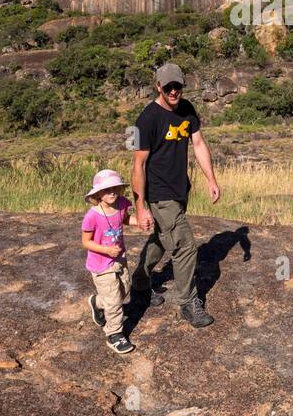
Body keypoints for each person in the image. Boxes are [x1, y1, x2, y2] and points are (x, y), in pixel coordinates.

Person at [131, 62, 221, 327]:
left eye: (177, 86)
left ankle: (139, 281)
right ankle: (188, 303)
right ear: (158, 86)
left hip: (181, 189)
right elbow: (138, 165)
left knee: (161, 239)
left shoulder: (187, 110)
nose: (173, 91)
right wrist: (140, 206)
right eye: (168, 86)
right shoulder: (146, 119)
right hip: (159, 194)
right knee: (184, 245)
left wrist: (211, 179)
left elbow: (199, 143)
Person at [81, 169, 142, 354]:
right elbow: (85, 242)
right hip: (101, 264)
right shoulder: (92, 216)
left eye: (115, 188)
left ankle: (96, 302)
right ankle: (114, 334)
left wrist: (139, 221)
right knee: (115, 302)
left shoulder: (121, 204)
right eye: (107, 189)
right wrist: (106, 249)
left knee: (124, 290)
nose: (112, 192)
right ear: (98, 193)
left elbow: (124, 219)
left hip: (120, 259)